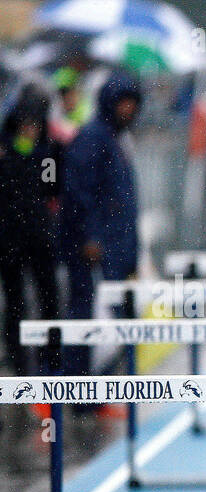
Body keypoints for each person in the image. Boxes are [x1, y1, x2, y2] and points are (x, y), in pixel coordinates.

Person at [59, 71, 143, 384]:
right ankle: (79, 393)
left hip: (116, 250)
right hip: (93, 252)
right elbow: (80, 193)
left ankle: (97, 392)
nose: (128, 109)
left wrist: (132, 255)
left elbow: (127, 202)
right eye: (122, 102)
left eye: (132, 103)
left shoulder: (118, 140)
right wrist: (91, 237)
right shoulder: (93, 138)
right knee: (85, 321)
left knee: (112, 323)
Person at [0, 85, 61, 376]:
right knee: (16, 305)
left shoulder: (48, 150)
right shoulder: (5, 150)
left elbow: (51, 187)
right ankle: (20, 366)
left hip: (39, 237)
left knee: (49, 299)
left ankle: (49, 361)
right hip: (10, 239)